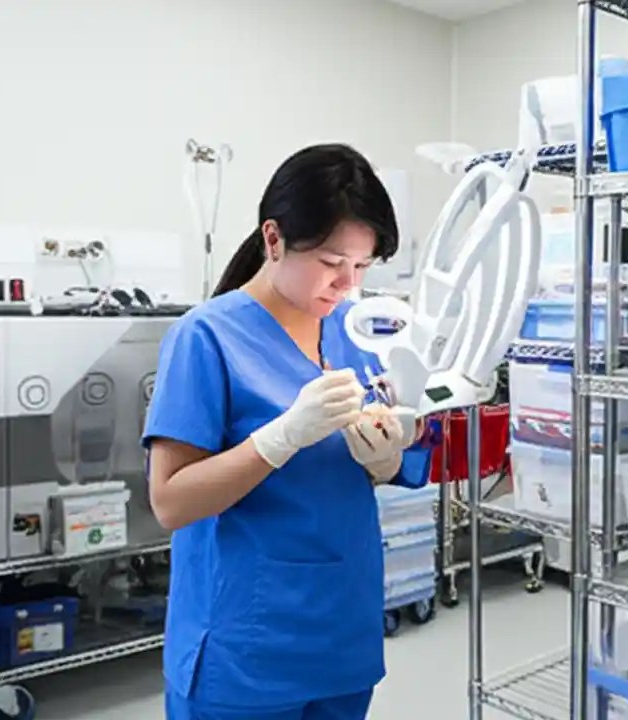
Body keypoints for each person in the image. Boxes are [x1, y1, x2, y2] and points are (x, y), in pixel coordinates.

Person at [142, 143, 433, 720]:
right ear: (273, 239)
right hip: (245, 646)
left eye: (362, 267)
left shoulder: (355, 330)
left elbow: (403, 453)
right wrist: (279, 439)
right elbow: (170, 502)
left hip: (341, 630)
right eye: (331, 263)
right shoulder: (206, 338)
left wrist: (388, 457)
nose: (348, 284)